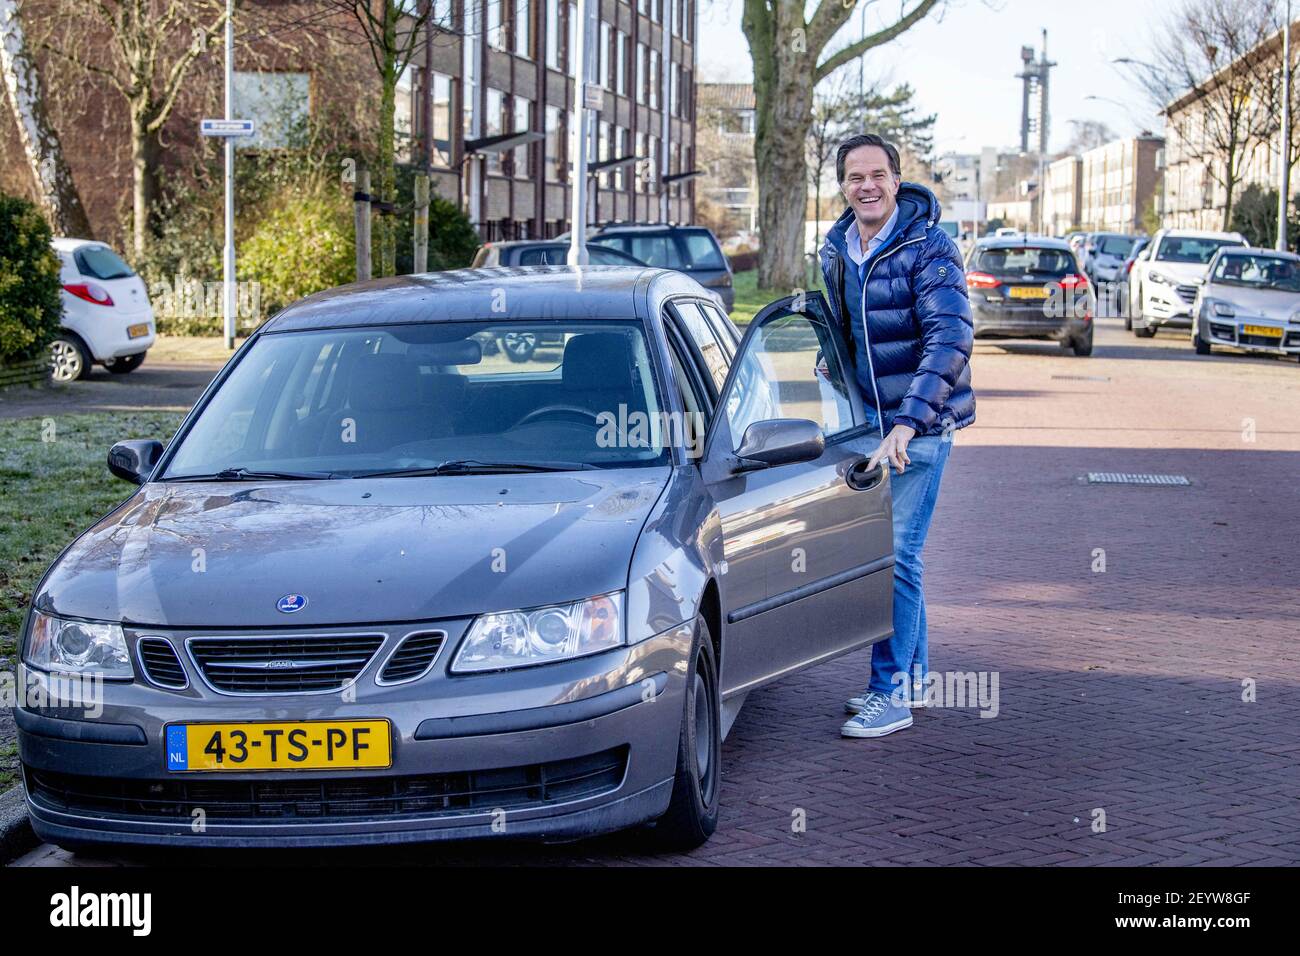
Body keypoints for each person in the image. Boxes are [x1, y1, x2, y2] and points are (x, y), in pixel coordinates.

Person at [817, 133, 976, 738]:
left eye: (878, 175)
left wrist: (909, 423)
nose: (868, 186)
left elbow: (950, 339)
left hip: (920, 427)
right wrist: (836, 363)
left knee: (893, 558)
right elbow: (850, 330)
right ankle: (917, 675)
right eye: (856, 177)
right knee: (900, 557)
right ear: (843, 186)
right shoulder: (839, 249)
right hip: (872, 427)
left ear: (897, 178)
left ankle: (892, 695)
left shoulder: (928, 247)